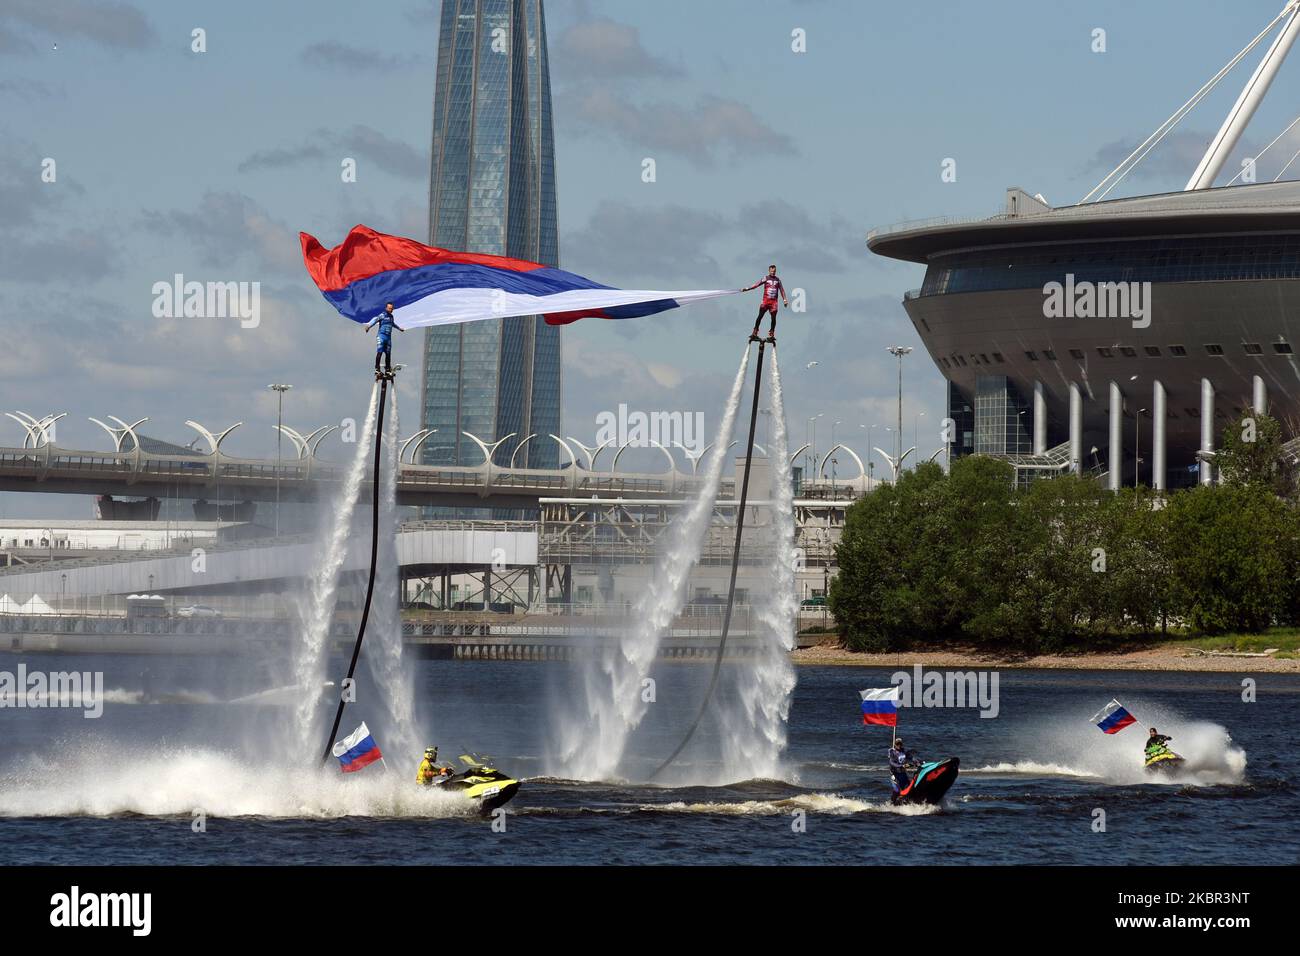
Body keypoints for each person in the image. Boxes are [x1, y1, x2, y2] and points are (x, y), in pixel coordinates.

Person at [743, 265, 789, 343]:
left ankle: (771, 333)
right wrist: (747, 288)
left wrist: (785, 300)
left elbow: (782, 290)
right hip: (765, 301)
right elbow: (756, 284)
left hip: (774, 302)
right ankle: (755, 331)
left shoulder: (778, 280)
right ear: (769, 271)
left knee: (773, 318)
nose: (773, 272)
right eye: (771, 271)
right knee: (760, 316)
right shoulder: (766, 278)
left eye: (774, 271)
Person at [364, 302, 405, 375]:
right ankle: (377, 369)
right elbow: (375, 320)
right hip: (381, 336)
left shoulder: (391, 317)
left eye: (392, 309)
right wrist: (369, 326)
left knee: (388, 354)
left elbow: (392, 324)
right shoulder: (382, 315)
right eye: (389, 308)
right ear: (386, 308)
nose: (390, 310)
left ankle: (387, 369)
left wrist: (399, 328)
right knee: (380, 352)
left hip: (388, 338)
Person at [888, 737, 919, 804]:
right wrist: (901, 766)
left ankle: (907, 802)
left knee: (909, 788)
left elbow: (911, 758)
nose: (898, 745)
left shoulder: (904, 752)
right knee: (896, 790)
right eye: (897, 744)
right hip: (895, 775)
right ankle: (891, 805)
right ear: (895, 744)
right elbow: (892, 763)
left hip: (903, 774)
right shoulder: (892, 752)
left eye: (900, 744)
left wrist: (917, 762)